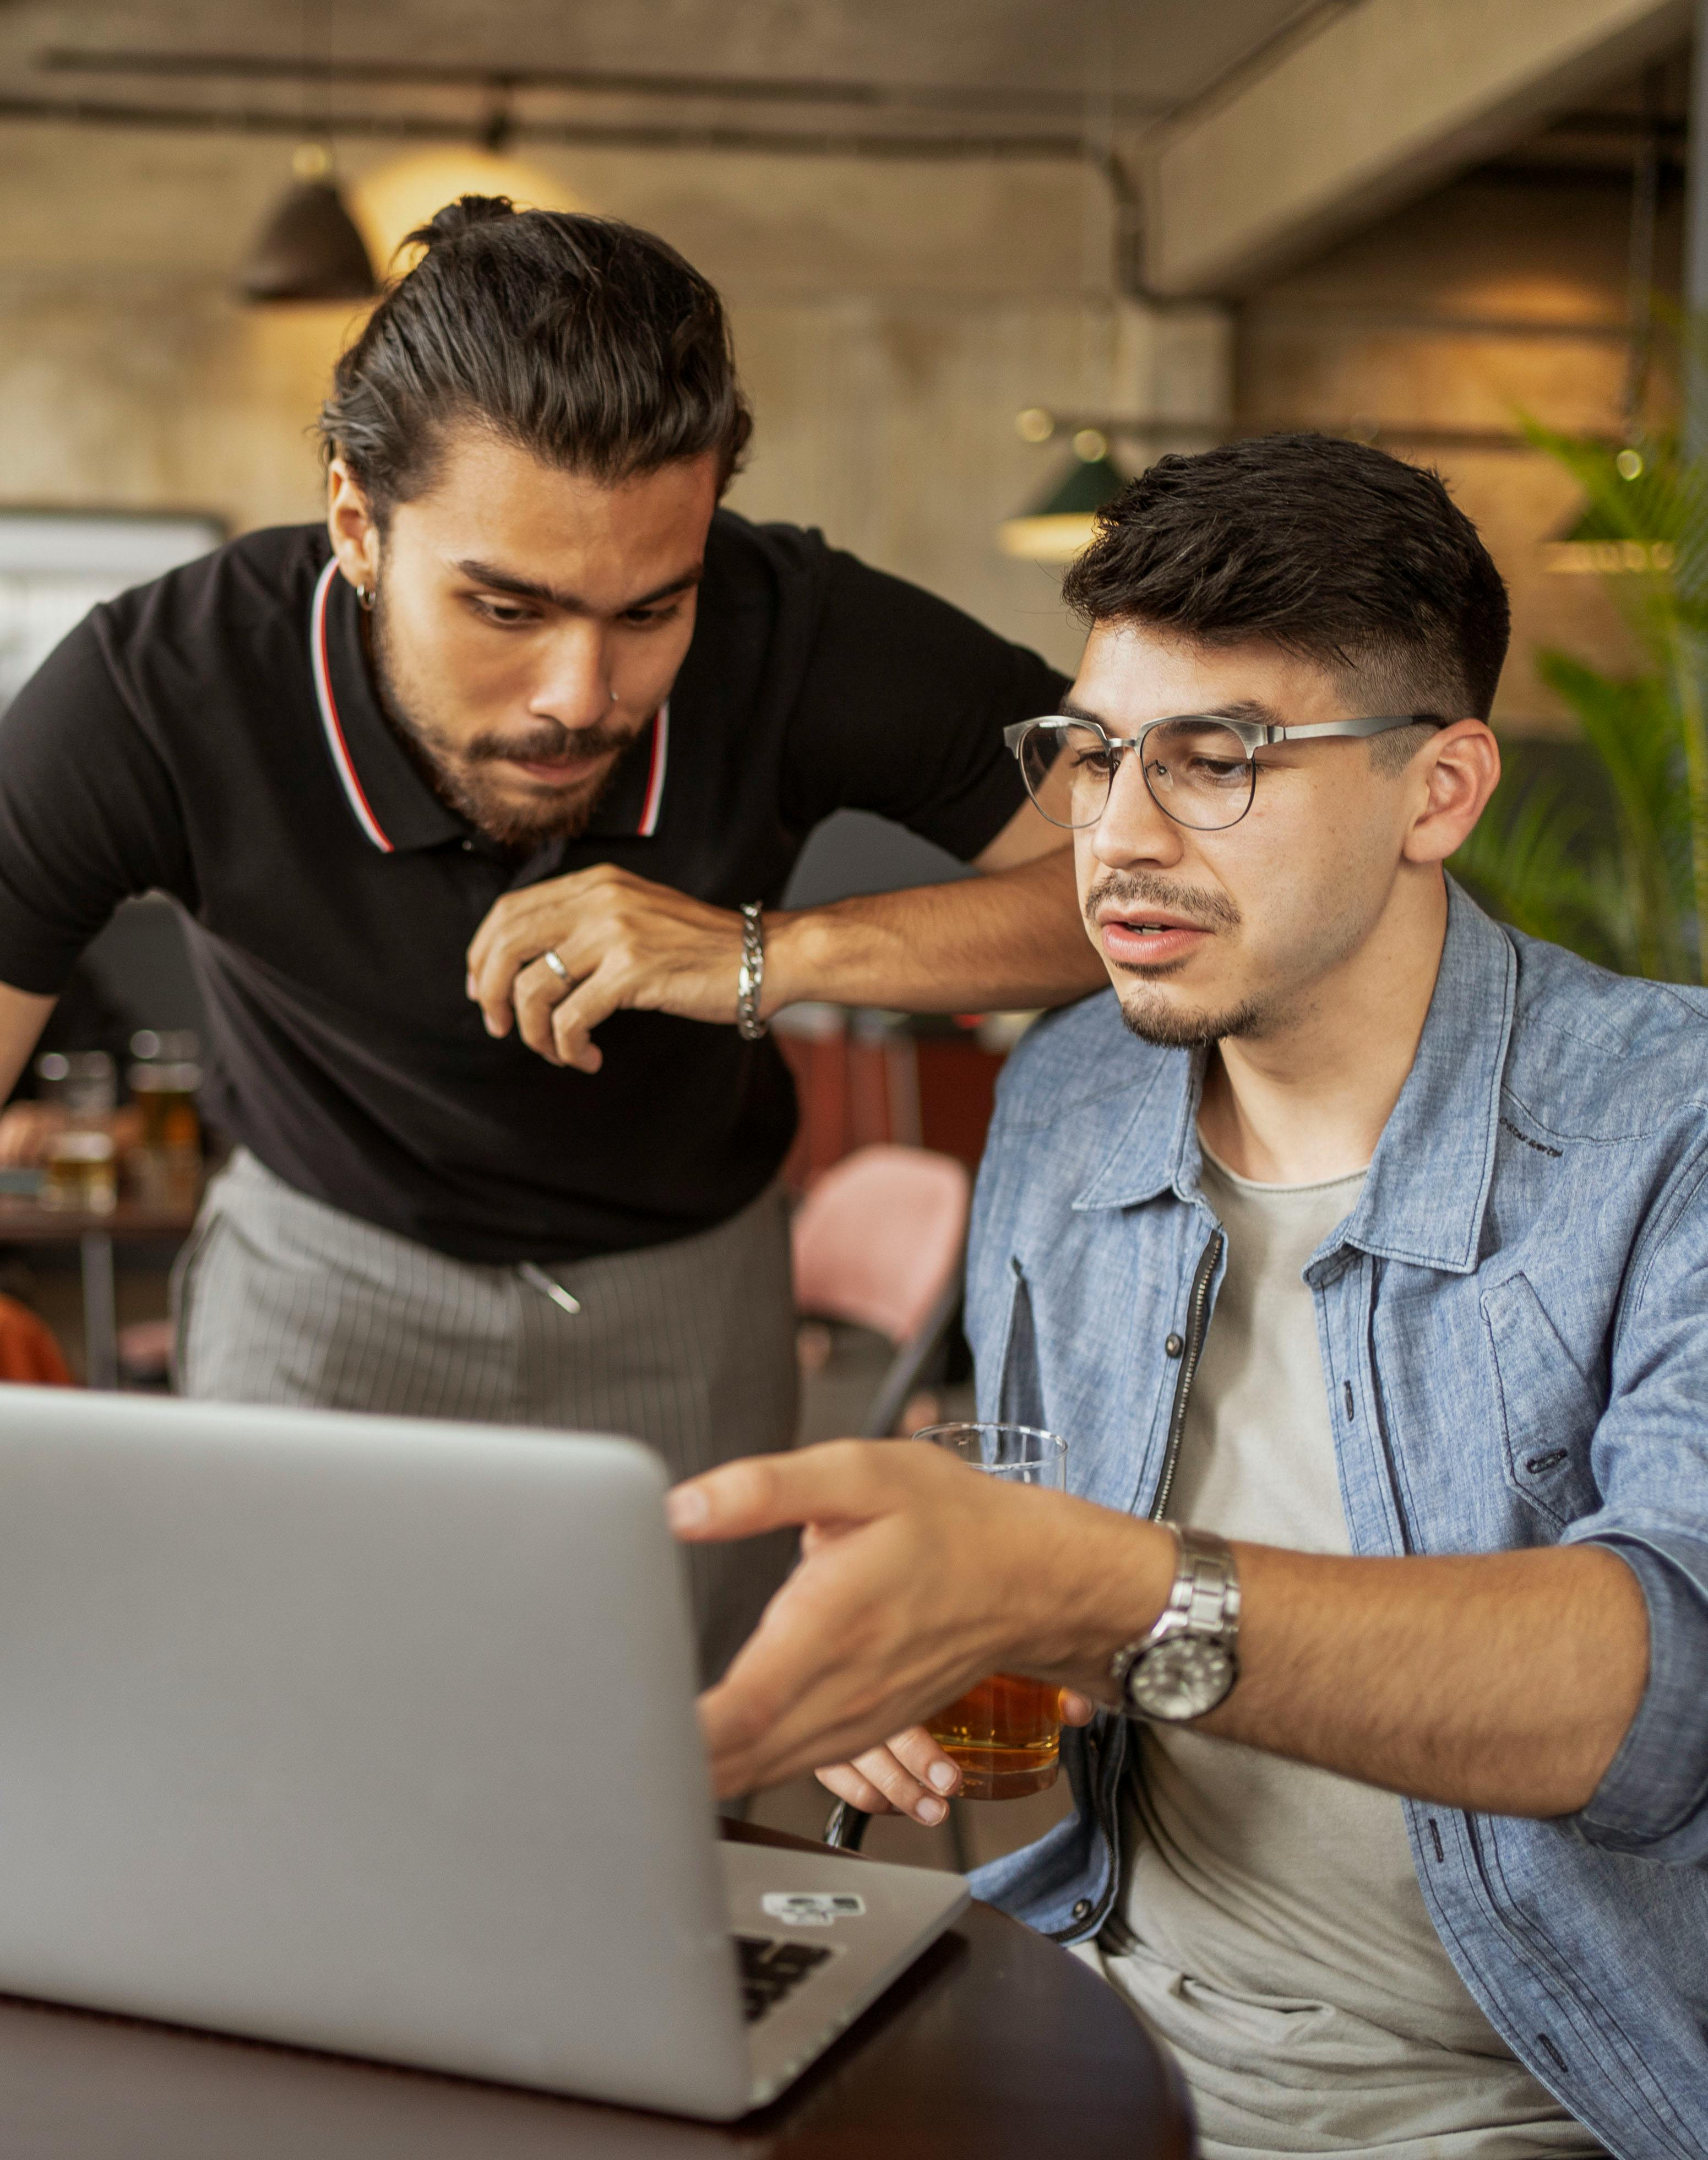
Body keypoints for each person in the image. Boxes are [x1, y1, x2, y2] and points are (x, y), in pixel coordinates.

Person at [667, 436, 1708, 2155]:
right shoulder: (1070, 1094)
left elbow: (1661, 1691)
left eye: (1215, 760)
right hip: (1081, 2013)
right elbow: (1046, 1559)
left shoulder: (1666, 1127)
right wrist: (944, 1628)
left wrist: (1106, 1591)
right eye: (1092, 758)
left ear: (1438, 792)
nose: (1116, 837)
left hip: (1527, 2097)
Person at [0, 200, 1103, 1679]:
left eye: (651, 607)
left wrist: (762, 958)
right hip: (322, 1281)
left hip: (681, 1293)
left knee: (661, 1785)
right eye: (505, 607)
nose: (581, 694)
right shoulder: (152, 692)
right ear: (356, 523)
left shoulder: (791, 626)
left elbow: (1133, 893)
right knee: (294, 1762)